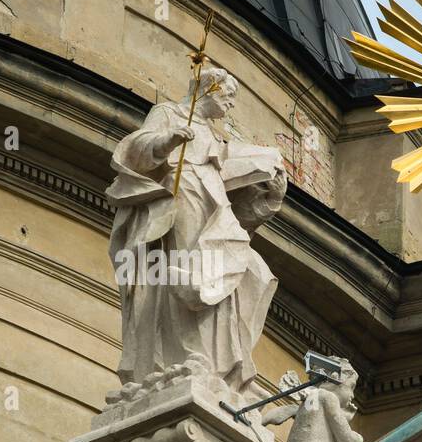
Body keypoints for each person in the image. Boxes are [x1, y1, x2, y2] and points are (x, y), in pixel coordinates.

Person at [106, 66, 287, 397]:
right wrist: (169, 139)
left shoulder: (217, 137)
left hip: (213, 202)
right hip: (183, 192)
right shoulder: (170, 112)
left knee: (248, 270)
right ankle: (189, 356)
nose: (231, 105)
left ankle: (221, 363)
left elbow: (245, 203)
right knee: (191, 269)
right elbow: (137, 151)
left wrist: (272, 190)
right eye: (228, 97)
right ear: (212, 89)